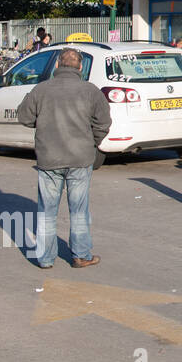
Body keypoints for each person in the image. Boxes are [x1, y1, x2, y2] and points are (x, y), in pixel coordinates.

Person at [16, 48, 112, 269]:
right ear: (80, 67)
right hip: (80, 157)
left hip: (49, 158)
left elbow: (24, 116)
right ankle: (81, 255)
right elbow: (104, 122)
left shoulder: (41, 90)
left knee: (47, 211)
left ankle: (45, 258)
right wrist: (93, 142)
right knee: (79, 210)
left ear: (58, 65)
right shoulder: (90, 91)